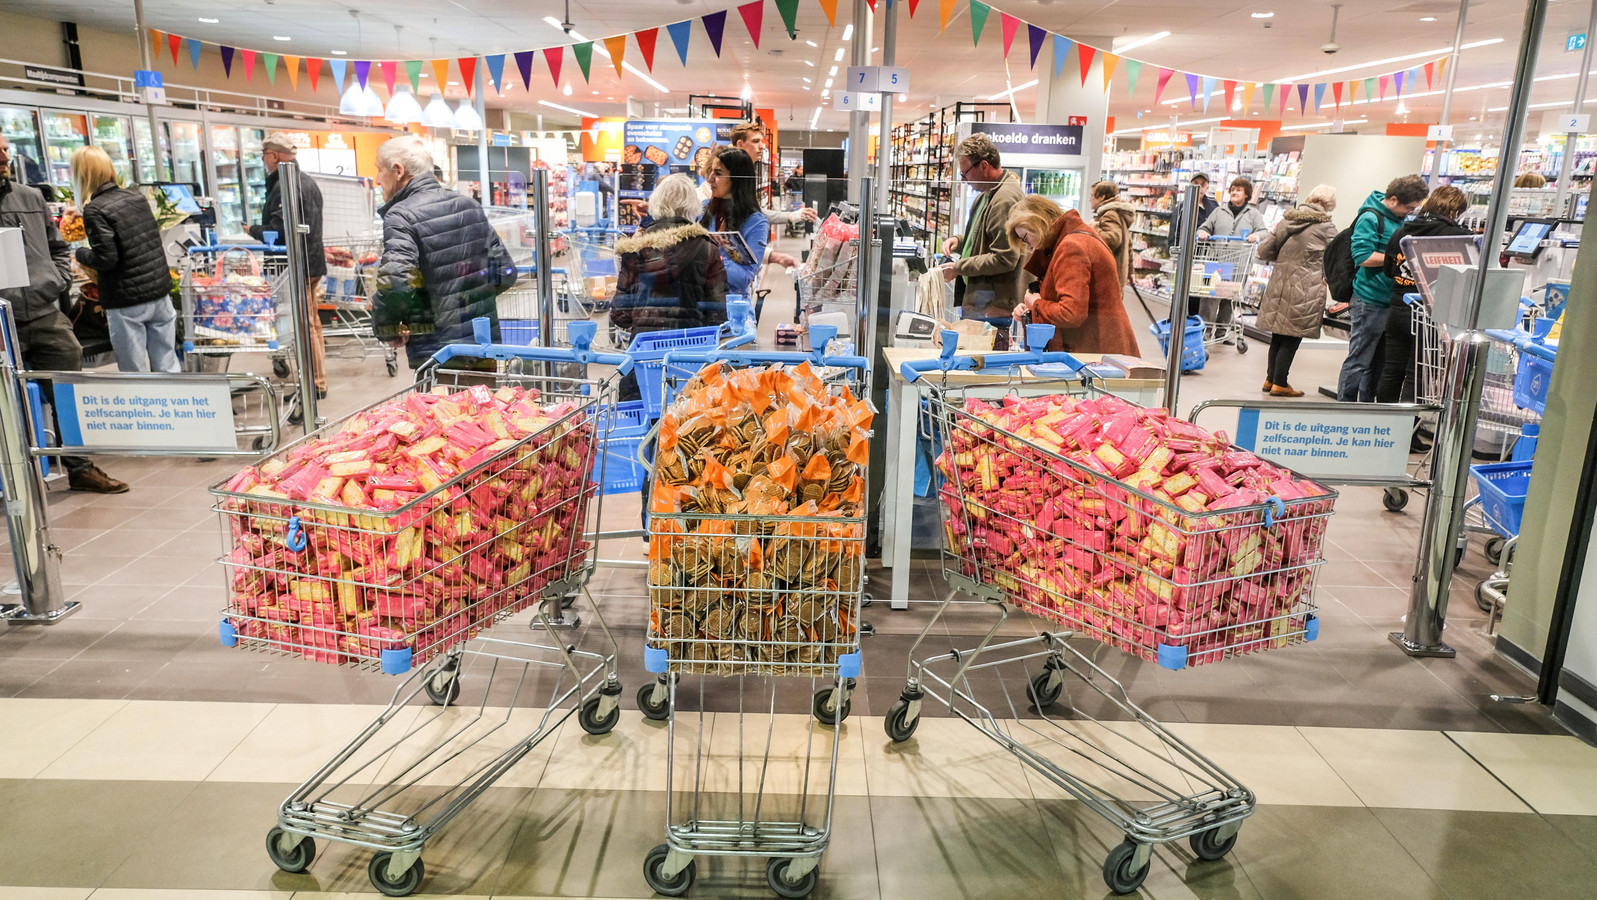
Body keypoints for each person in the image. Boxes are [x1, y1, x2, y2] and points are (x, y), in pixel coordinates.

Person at [0, 135, 127, 493]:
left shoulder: (29, 197)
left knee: (69, 392)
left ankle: (80, 467)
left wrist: (54, 280)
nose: (4, 156)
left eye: (6, 148)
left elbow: (58, 247)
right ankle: (15, 477)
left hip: (43, 315)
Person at [371, 136, 515, 370]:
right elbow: (506, 273)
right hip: (483, 347)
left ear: (398, 170)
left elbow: (397, 282)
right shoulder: (469, 205)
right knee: (485, 406)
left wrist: (389, 327)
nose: (377, 180)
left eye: (378, 170)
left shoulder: (401, 216)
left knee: (440, 408)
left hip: (437, 353)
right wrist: (468, 304)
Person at [611, 174, 728, 400]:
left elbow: (620, 314)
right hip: (690, 363)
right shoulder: (707, 248)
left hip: (642, 363)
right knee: (687, 429)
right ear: (692, 206)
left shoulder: (635, 248)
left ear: (656, 204)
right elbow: (718, 315)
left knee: (643, 427)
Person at [69, 146, 178, 374]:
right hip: (158, 292)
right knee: (167, 364)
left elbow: (106, 259)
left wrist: (79, 253)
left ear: (82, 175)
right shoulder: (135, 197)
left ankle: (143, 410)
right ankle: (173, 407)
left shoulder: (95, 210)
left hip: (127, 300)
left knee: (133, 372)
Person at [1005, 194, 1139, 357]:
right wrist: (1032, 309)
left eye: (1026, 238)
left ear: (1036, 224)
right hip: (1101, 350)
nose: (1029, 247)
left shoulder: (1071, 247)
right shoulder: (1076, 237)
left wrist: (1037, 304)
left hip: (1096, 354)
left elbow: (1071, 313)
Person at [248, 132, 328, 399]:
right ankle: (318, 380)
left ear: (273, 156)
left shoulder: (285, 185)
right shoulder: (306, 181)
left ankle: (316, 384)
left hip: (298, 265)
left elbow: (280, 230)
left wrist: (254, 230)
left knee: (305, 325)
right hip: (313, 260)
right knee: (313, 324)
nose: (264, 161)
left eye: (264, 156)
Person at [1336, 174, 1429, 403]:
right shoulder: (1370, 217)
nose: (1410, 212)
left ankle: (1368, 408)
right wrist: (1399, 257)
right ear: (1394, 199)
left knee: (1378, 364)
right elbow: (1363, 256)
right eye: (1409, 207)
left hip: (1391, 301)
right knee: (1359, 359)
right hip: (1369, 300)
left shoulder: (1401, 220)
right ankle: (1344, 408)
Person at [1376, 185, 1471, 405]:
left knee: (1391, 370)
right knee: (1418, 374)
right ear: (1455, 212)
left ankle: (1381, 425)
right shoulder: (1457, 236)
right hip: (1429, 313)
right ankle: (1407, 432)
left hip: (1397, 308)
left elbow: (1389, 269)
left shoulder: (1402, 230)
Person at [939, 133, 1026, 347]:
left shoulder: (1004, 198)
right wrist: (959, 241)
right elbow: (983, 236)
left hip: (992, 306)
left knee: (984, 367)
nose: (963, 179)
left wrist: (959, 267)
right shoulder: (988, 193)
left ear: (984, 166)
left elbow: (1005, 258)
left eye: (965, 173)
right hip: (982, 302)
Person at [1254, 184, 1340, 397]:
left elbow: (1265, 250)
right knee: (1292, 337)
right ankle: (1281, 383)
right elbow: (1337, 256)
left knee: (1278, 334)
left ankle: (1270, 379)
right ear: (1329, 204)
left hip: (1279, 283)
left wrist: (1286, 260)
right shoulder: (1326, 228)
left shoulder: (1287, 220)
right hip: (1306, 287)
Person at [699, 146, 770, 301]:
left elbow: (742, 279)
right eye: (711, 171)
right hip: (699, 304)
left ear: (736, 180)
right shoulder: (703, 210)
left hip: (732, 308)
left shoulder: (755, 222)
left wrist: (716, 252)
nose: (710, 178)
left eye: (718, 173)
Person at [1088, 181, 1137, 287]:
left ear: (1102, 197)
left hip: (1108, 276)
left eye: (1092, 195)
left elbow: (1113, 239)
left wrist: (1094, 228)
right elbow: (1128, 243)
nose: (1090, 199)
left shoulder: (1109, 214)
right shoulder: (1118, 213)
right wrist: (1130, 271)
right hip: (1116, 274)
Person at [1196, 177, 1266, 241]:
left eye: (1238, 190)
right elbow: (1203, 228)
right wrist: (1202, 233)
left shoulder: (1253, 214)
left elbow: (1264, 232)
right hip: (1217, 254)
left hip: (1242, 254)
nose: (1234, 192)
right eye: (1232, 190)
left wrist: (1256, 235)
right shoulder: (1218, 211)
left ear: (1246, 194)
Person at [1171, 172, 1217, 247]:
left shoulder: (1214, 204)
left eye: (1202, 185)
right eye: (1196, 184)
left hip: (1210, 253)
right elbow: (1174, 234)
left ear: (1207, 187)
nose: (1199, 187)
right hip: (1190, 253)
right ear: (1190, 186)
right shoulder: (1182, 207)